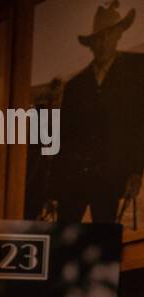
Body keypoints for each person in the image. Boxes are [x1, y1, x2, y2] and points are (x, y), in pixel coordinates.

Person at [49, 4, 144, 223]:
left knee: (103, 241)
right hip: (73, 181)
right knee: (63, 241)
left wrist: (136, 171)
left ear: (119, 34)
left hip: (109, 178)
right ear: (90, 44)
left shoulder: (136, 72)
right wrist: (54, 189)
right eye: (97, 38)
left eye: (108, 35)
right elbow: (64, 137)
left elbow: (139, 125)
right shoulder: (76, 86)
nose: (102, 44)